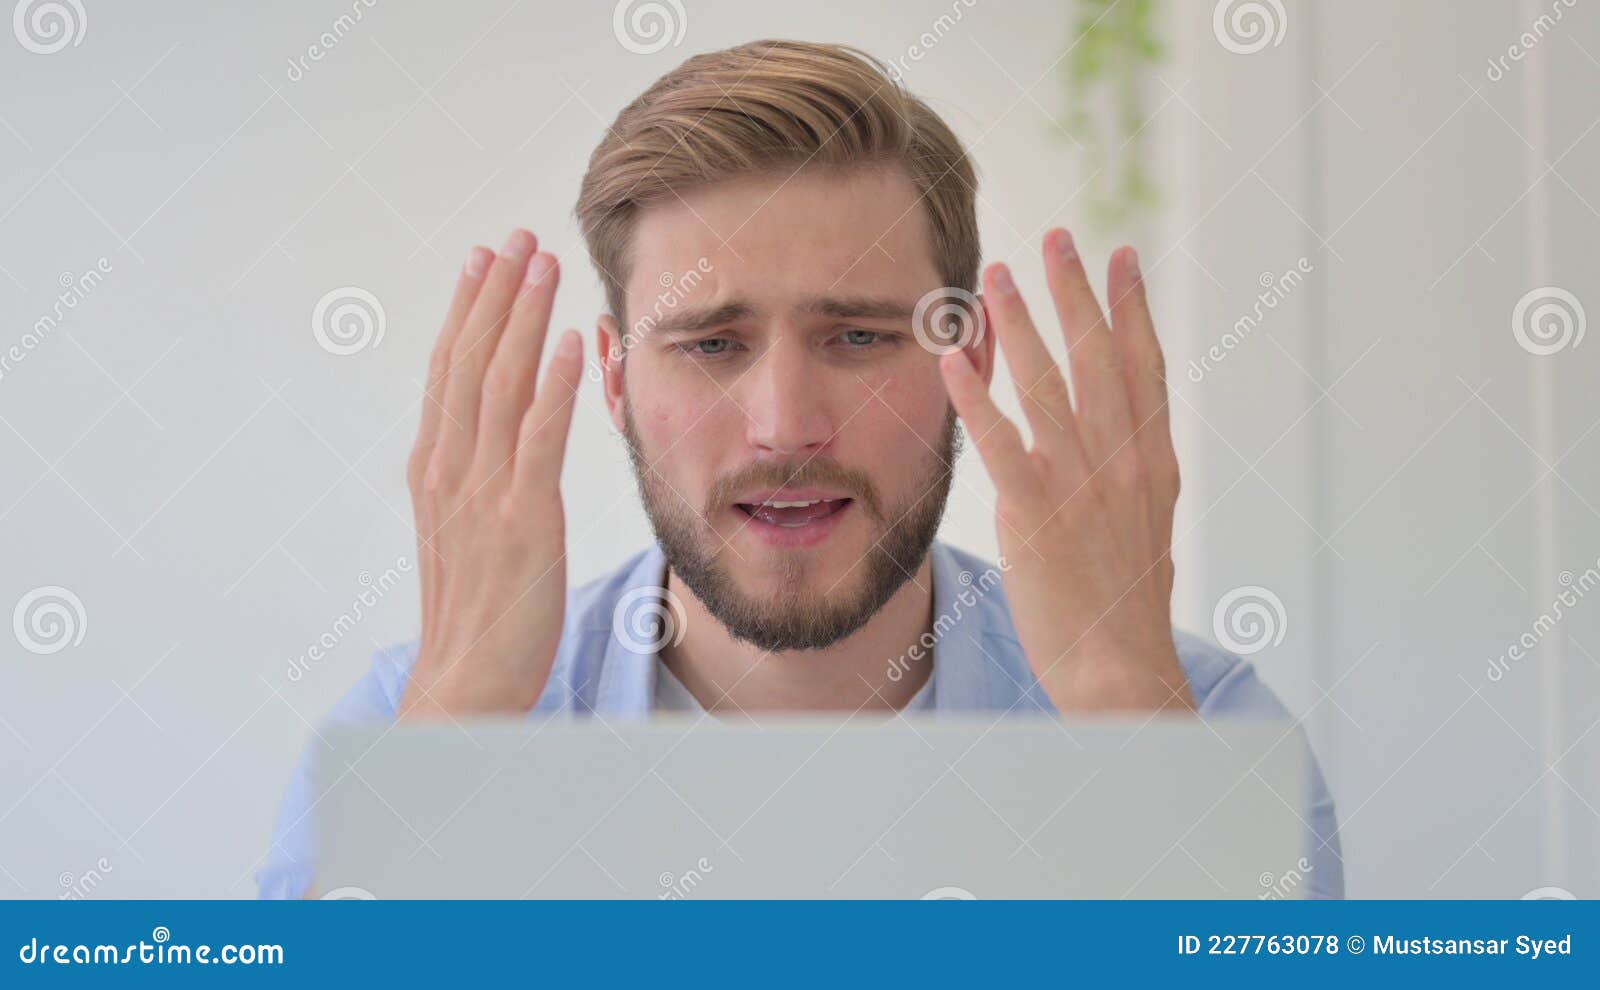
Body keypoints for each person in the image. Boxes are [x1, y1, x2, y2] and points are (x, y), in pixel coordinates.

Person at [258, 39, 1343, 899]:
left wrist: (1120, 712)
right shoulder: (412, 728)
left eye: (859, 338)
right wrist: (461, 731)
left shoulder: (1197, 722)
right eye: (712, 344)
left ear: (964, 358)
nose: (784, 427)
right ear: (618, 380)